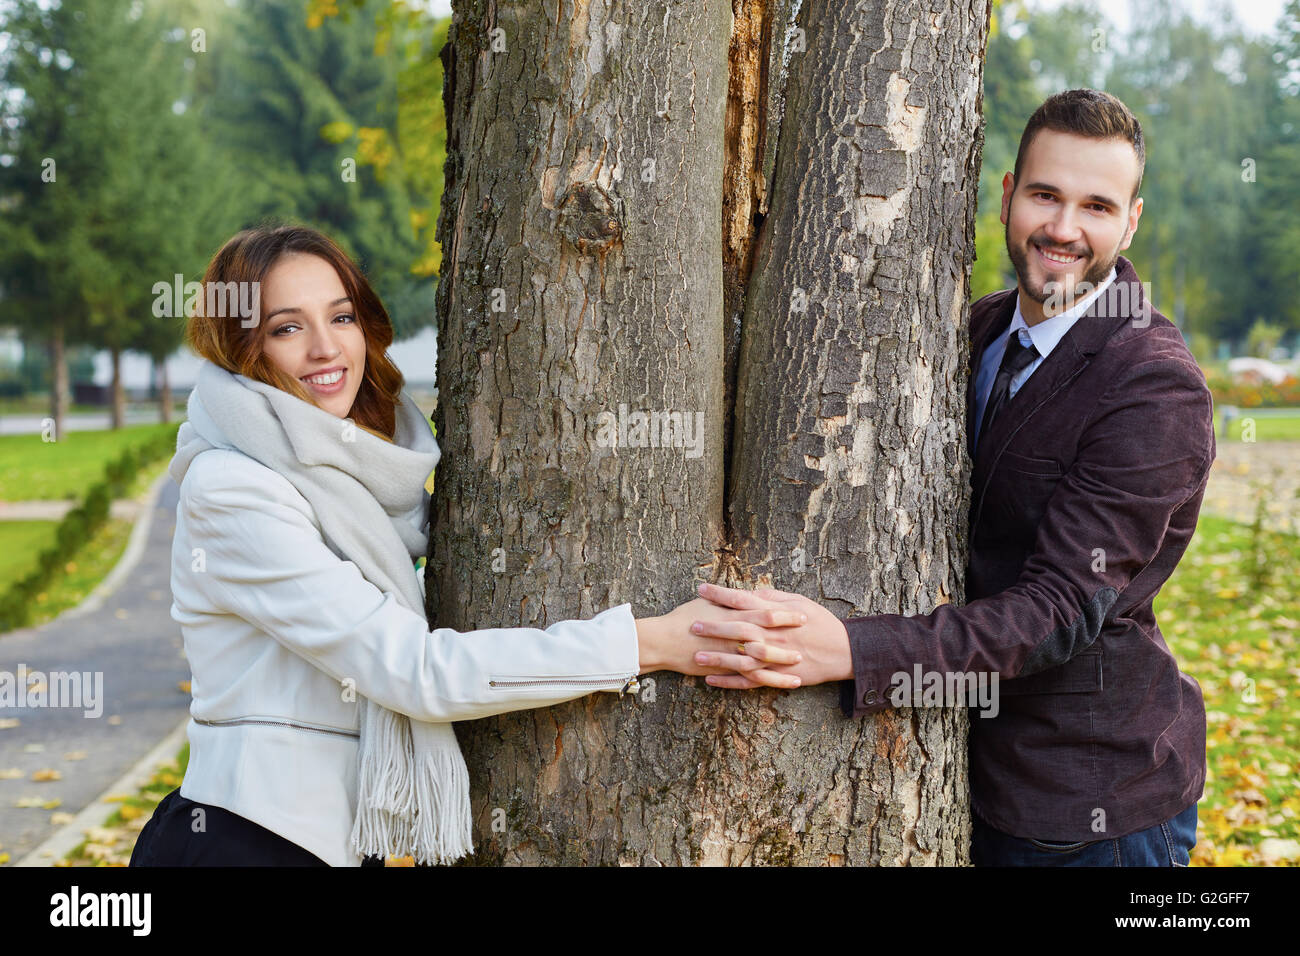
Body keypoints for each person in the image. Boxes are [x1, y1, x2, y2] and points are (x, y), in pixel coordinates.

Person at [130, 224, 803, 868]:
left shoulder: (347, 477)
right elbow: (416, 672)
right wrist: (648, 643)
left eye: (340, 317)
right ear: (243, 349)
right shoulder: (234, 490)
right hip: (244, 842)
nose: (326, 348)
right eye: (286, 328)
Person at [691, 89, 1212, 868]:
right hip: (965, 766)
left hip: (1088, 802)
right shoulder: (976, 328)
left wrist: (852, 651)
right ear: (1007, 195)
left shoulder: (1153, 386)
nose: (1064, 229)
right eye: (1045, 194)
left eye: (1096, 206)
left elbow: (1062, 609)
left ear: (1130, 221)